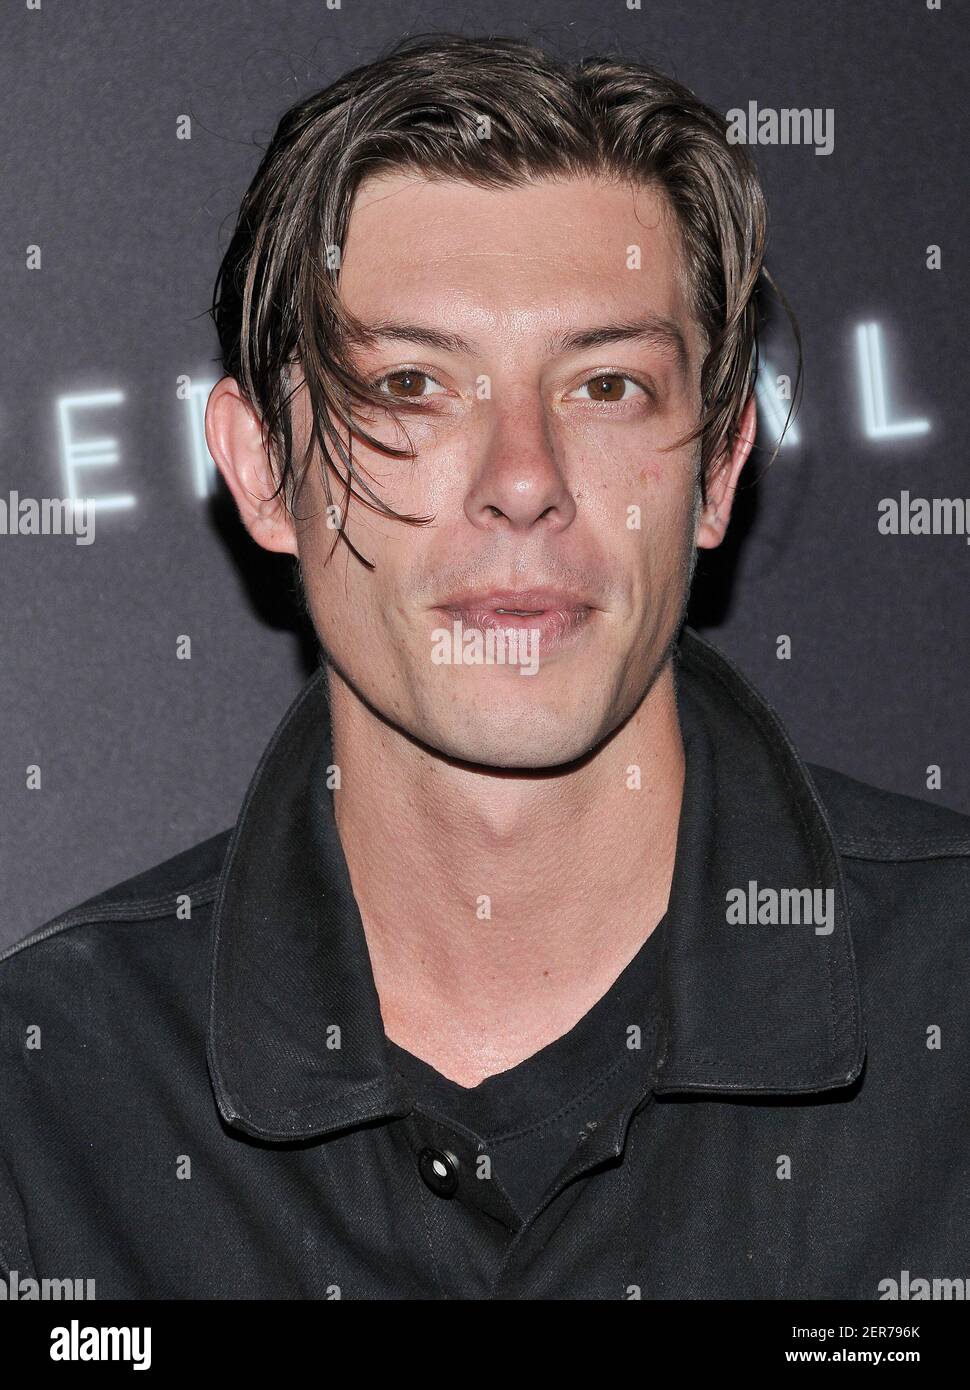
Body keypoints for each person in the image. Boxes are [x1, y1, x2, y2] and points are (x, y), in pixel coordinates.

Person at [2, 33, 968, 1301]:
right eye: (411, 384)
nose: (524, 480)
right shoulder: (51, 1098)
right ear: (258, 469)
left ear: (719, 466)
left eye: (606, 384)